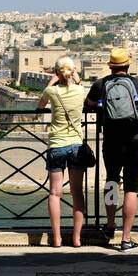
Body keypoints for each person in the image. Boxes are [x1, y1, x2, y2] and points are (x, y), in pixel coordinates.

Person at [85, 47, 138, 252]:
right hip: (136, 140)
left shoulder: (100, 84)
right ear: (128, 65)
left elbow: (89, 103)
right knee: (131, 188)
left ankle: (110, 226)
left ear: (111, 66)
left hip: (112, 142)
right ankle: (126, 238)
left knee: (112, 182)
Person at [37, 55, 86, 248]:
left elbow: (40, 105)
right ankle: (76, 238)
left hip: (56, 145)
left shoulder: (51, 91)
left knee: (55, 193)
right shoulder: (81, 90)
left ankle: (56, 238)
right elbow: (82, 90)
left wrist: (52, 79)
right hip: (76, 146)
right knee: (77, 193)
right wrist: (77, 78)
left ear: (57, 73)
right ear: (73, 71)